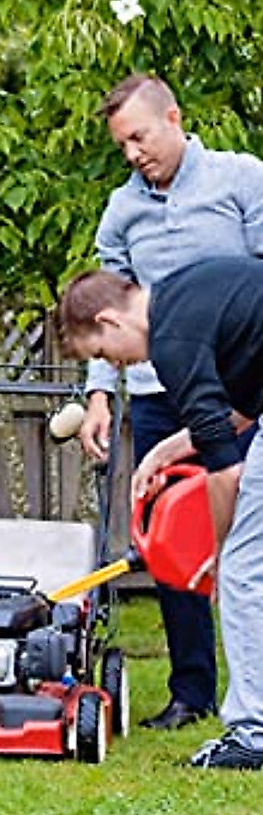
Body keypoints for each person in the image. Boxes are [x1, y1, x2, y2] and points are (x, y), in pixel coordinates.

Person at [77, 73, 263, 730]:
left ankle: (253, 695)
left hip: (237, 380)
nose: (133, 154)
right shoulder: (121, 210)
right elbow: (105, 311)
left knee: (244, 534)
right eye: (122, 146)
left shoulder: (242, 178)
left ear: (174, 118)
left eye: (140, 137)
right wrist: (99, 394)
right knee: (170, 540)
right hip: (160, 389)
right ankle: (193, 692)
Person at [57, 260, 263, 770]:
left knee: (244, 569)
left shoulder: (172, 340)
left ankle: (252, 734)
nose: (116, 365)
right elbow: (239, 412)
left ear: (109, 321)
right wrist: (161, 454)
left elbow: (225, 472)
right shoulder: (184, 296)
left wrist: (220, 557)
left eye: (103, 354)